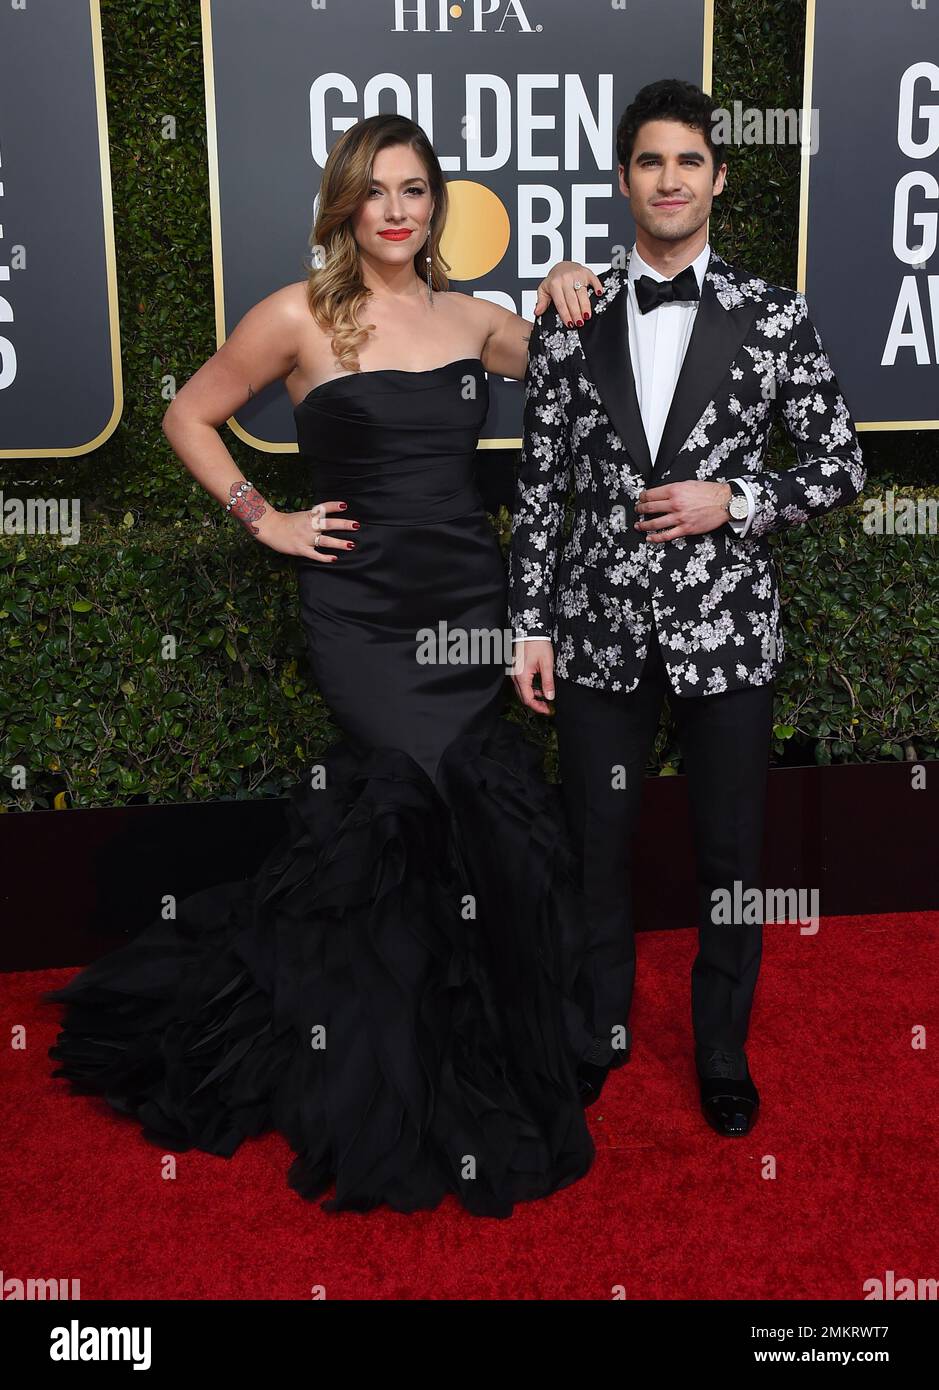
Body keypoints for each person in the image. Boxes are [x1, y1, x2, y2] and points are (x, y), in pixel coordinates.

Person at [43, 113, 610, 1218]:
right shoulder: (298, 317)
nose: (397, 210)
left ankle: (474, 1041)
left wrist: (569, 279)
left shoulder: (471, 317)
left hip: (466, 602)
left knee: (476, 812)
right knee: (400, 812)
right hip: (362, 612)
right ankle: (378, 1064)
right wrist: (266, 519)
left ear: (437, 205)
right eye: (376, 190)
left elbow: (577, 371)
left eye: (415, 190)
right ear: (346, 204)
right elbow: (187, 413)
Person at [509, 78, 866, 1134]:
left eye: (688, 161)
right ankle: (598, 1033)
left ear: (718, 177)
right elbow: (540, 485)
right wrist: (531, 622)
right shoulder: (571, 314)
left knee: (730, 855)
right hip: (597, 631)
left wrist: (739, 500)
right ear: (623, 180)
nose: (669, 179)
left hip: (727, 635)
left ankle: (720, 1048)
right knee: (595, 841)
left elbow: (843, 463)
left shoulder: (772, 315)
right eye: (649, 162)